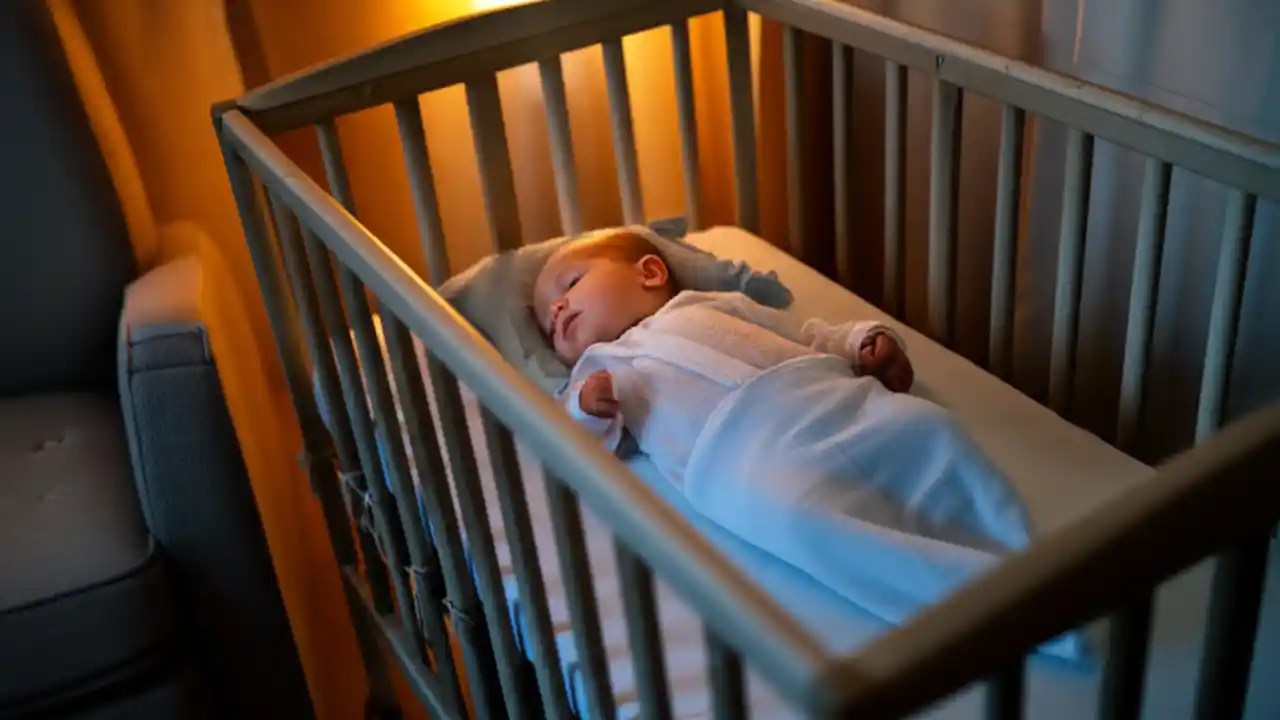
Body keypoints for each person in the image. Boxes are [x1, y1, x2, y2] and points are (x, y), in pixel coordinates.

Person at [530, 228, 1046, 642]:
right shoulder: (595, 370)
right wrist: (585, 409)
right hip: (737, 457)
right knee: (800, 514)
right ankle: (958, 594)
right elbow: (573, 446)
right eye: (548, 326)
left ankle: (1029, 556)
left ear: (649, 271)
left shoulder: (710, 304)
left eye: (570, 284)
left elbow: (804, 335)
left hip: (820, 394)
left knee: (925, 426)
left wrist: (863, 342)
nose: (556, 311)